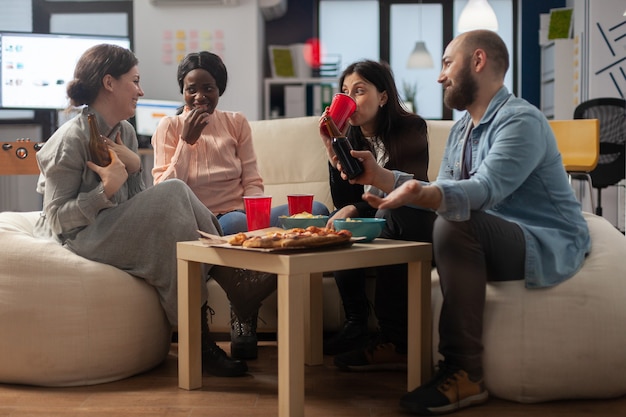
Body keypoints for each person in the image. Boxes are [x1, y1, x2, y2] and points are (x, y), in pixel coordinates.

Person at [335, 30, 591, 415]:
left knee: (456, 222)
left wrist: (423, 195)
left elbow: (483, 191)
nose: (440, 76)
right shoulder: (462, 130)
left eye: (446, 64)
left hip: (539, 239)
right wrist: (380, 177)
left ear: (478, 61)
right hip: (490, 231)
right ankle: (396, 340)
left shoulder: (521, 120)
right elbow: (444, 188)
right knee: (397, 211)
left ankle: (464, 371)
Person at [33, 44, 251, 378]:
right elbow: (55, 221)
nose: (141, 90)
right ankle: (223, 282)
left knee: (172, 195)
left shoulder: (126, 132)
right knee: (174, 189)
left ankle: (215, 292)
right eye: (134, 81)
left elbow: (139, 206)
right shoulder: (70, 139)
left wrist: (133, 169)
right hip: (81, 237)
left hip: (111, 226)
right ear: (109, 83)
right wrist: (106, 188)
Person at [151, 51, 329, 360]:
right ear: (182, 90)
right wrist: (186, 143)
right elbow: (164, 191)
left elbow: (252, 179)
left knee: (317, 212)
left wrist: (257, 218)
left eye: (208, 87)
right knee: (230, 225)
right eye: (191, 88)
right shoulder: (168, 127)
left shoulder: (236, 122)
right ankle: (244, 314)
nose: (199, 96)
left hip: (243, 217)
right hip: (201, 223)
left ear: (219, 89)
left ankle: (244, 303)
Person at [318, 59, 436, 359]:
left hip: (409, 213)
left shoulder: (411, 127)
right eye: (344, 92)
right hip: (372, 214)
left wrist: (354, 210)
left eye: (359, 91)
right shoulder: (348, 137)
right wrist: (334, 151)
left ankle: (393, 337)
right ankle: (356, 323)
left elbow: (409, 189)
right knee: (334, 223)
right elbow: (344, 200)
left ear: (383, 97)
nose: (350, 99)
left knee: (387, 214)